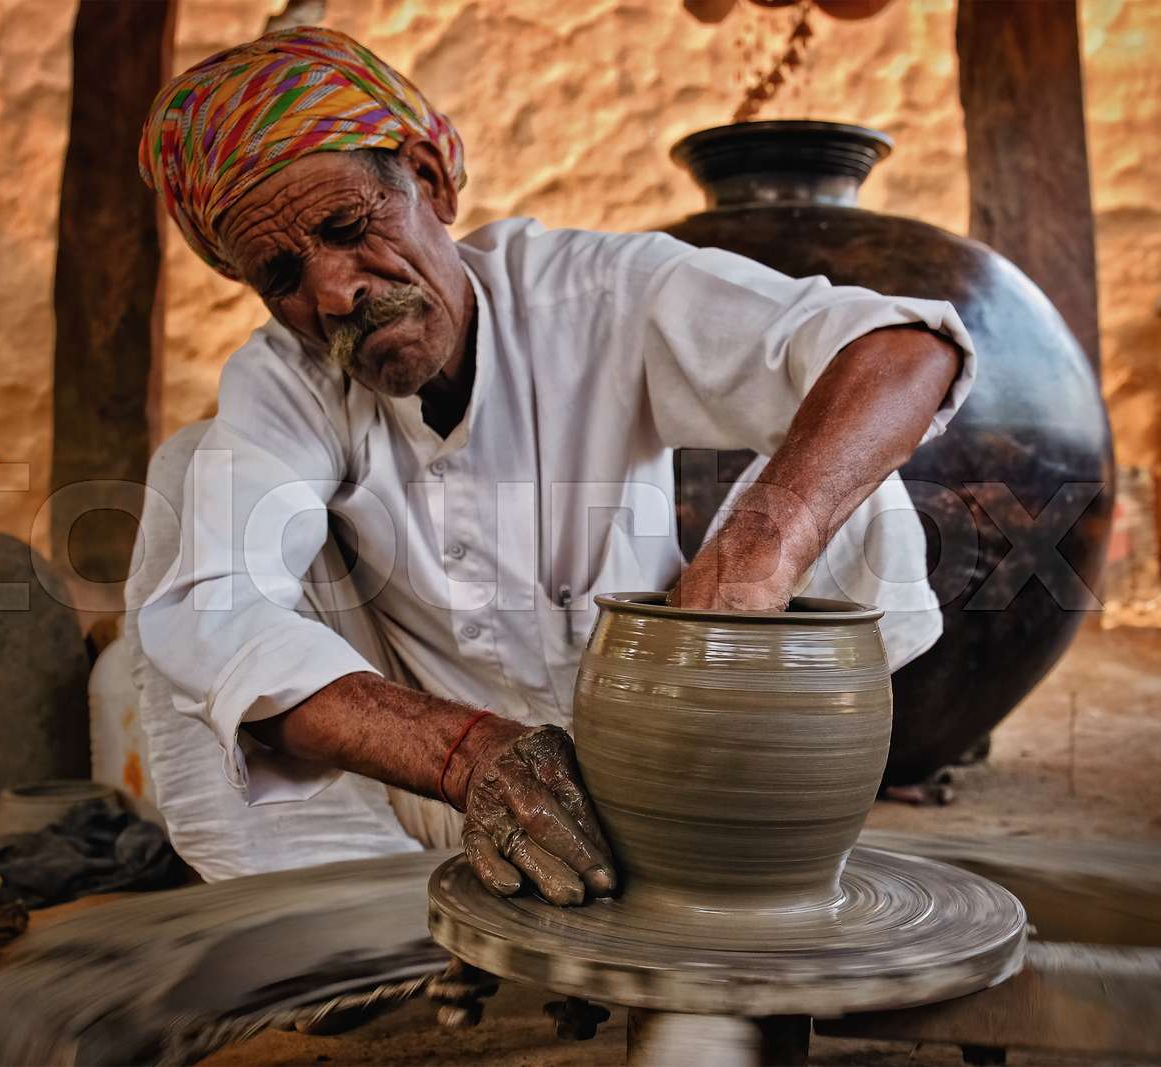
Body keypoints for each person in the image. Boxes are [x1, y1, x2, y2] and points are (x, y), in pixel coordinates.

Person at [131, 27, 973, 902]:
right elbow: (214, 611)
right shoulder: (287, 379)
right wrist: (469, 753)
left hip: (675, 739)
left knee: (845, 447)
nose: (335, 291)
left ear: (430, 177)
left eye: (348, 226)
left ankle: (755, 864)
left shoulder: (598, 292)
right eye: (281, 274)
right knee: (189, 491)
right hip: (445, 784)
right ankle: (352, 940)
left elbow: (903, 347)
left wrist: (754, 555)